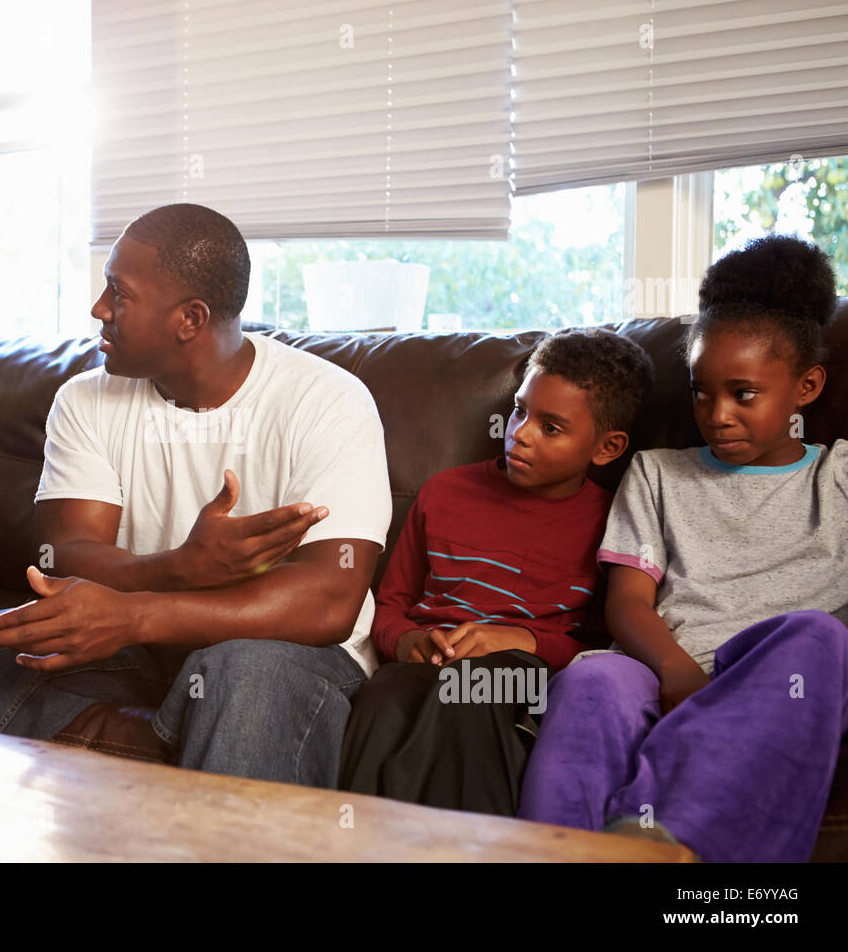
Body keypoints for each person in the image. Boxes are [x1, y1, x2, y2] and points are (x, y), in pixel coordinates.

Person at [0, 202, 391, 788]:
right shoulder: (84, 400)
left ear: (190, 318)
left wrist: (136, 615)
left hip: (285, 651)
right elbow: (68, 555)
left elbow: (329, 599)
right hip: (140, 649)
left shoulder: (329, 401)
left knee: (242, 670)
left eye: (119, 294)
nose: (98, 309)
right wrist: (183, 568)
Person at [518, 235, 848, 862]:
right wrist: (674, 669)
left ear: (806, 387)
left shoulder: (836, 477)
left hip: (777, 679)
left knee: (819, 636)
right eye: (701, 391)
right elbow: (628, 604)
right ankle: (554, 852)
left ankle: (668, 847)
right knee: (595, 676)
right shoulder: (656, 473)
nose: (717, 413)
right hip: (666, 663)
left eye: (743, 394)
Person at [340, 328, 653, 814]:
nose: (520, 432)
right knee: (381, 703)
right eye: (520, 411)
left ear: (607, 448)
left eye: (551, 428)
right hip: (428, 661)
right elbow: (391, 605)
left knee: (470, 692)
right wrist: (405, 642)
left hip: (532, 674)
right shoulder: (443, 493)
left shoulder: (613, 520)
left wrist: (519, 640)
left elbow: (606, 645)